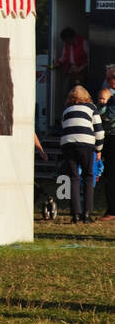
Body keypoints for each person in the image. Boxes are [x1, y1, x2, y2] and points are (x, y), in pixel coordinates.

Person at [59, 85, 104, 223]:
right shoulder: (91, 108)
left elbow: (63, 126)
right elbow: (99, 131)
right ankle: (87, 213)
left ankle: (75, 214)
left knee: (73, 178)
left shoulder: (66, 110)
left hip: (68, 144)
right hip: (85, 143)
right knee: (88, 176)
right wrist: (98, 149)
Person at [97, 69, 115, 219]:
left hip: (113, 136)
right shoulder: (108, 93)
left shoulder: (110, 95)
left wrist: (104, 102)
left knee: (111, 174)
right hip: (109, 137)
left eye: (109, 79)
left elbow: (108, 117)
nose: (107, 82)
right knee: (109, 174)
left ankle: (112, 211)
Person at [56, 27, 89, 93]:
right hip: (70, 71)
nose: (66, 42)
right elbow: (64, 57)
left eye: (67, 40)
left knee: (79, 92)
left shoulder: (84, 43)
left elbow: (89, 59)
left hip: (81, 73)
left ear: (72, 37)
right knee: (66, 91)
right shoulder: (67, 45)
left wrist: (80, 68)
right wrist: (57, 63)